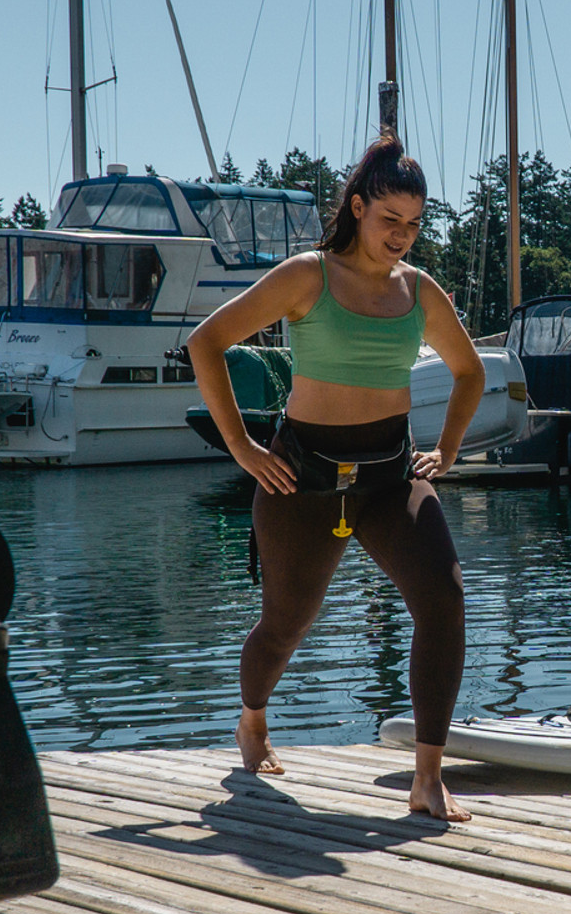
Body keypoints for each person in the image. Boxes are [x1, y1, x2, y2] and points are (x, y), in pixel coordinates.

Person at [187, 137, 486, 821]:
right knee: (284, 625)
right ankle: (253, 721)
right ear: (357, 208)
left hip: (389, 476)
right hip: (302, 479)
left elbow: (470, 372)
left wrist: (446, 449)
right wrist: (242, 447)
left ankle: (428, 779)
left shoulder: (419, 291)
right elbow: (207, 342)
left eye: (413, 225)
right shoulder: (308, 276)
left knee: (444, 599)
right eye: (390, 220)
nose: (401, 236)